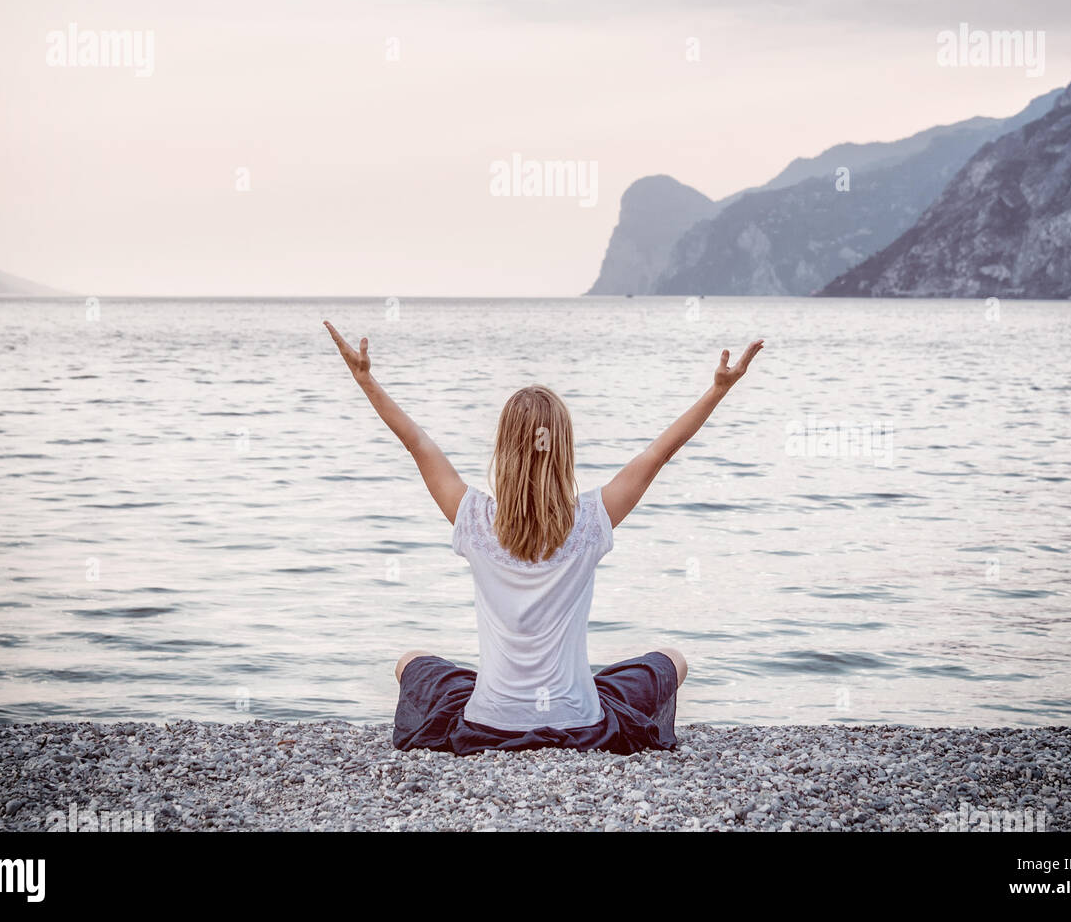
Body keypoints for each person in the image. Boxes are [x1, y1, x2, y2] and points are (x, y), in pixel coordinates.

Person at [324, 320, 763, 755]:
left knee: (409, 661)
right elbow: (659, 453)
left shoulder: (473, 518)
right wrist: (718, 390)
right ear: (564, 449)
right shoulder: (592, 518)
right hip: (581, 723)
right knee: (672, 658)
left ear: (504, 449)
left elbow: (417, 443)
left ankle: (511, 696)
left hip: (488, 724)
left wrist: (366, 379)